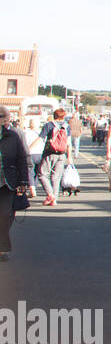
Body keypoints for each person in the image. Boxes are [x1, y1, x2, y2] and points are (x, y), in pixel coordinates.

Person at [0, 105, 33, 264]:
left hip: (7, 183)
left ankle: (1, 247)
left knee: (5, 216)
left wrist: (24, 181)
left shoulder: (12, 136)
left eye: (5, 117)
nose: (5, 120)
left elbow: (22, 158)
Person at [37, 107, 70, 206]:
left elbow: (41, 138)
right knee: (56, 177)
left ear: (54, 115)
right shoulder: (66, 126)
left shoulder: (49, 125)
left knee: (42, 174)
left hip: (50, 152)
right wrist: (69, 156)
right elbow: (68, 142)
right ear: (64, 116)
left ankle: (50, 194)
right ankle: (54, 200)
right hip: (62, 154)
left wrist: (29, 147)